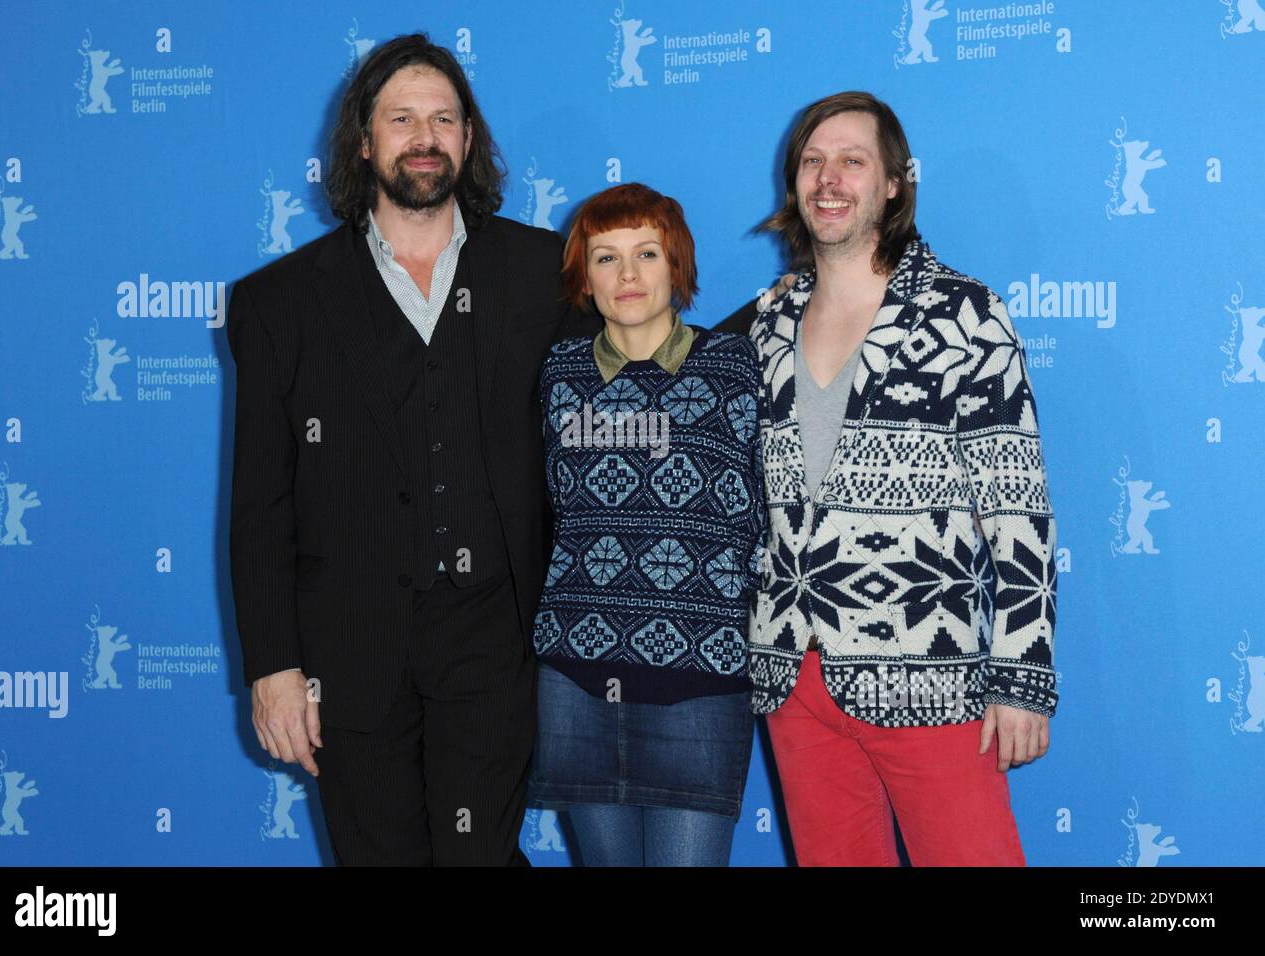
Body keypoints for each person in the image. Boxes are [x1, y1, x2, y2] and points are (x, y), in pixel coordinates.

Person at [226, 33, 598, 866]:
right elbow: (260, 504)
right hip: (351, 656)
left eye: (443, 118)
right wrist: (274, 667)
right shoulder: (280, 303)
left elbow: (644, 365)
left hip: (497, 648)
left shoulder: (549, 274)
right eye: (402, 119)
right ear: (364, 141)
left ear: (469, 139)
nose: (424, 136)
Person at [719, 91, 1058, 866]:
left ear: (895, 182)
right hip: (792, 677)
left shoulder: (966, 315)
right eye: (812, 161)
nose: (828, 179)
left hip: (926, 671)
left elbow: (1019, 508)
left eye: (851, 161)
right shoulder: (766, 323)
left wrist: (1021, 676)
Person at [528, 183, 767, 866]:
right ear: (584, 275)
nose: (627, 276)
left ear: (676, 265)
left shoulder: (737, 365)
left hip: (700, 676)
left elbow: (768, 505)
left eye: (646, 254)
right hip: (577, 672)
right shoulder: (561, 374)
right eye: (606, 258)